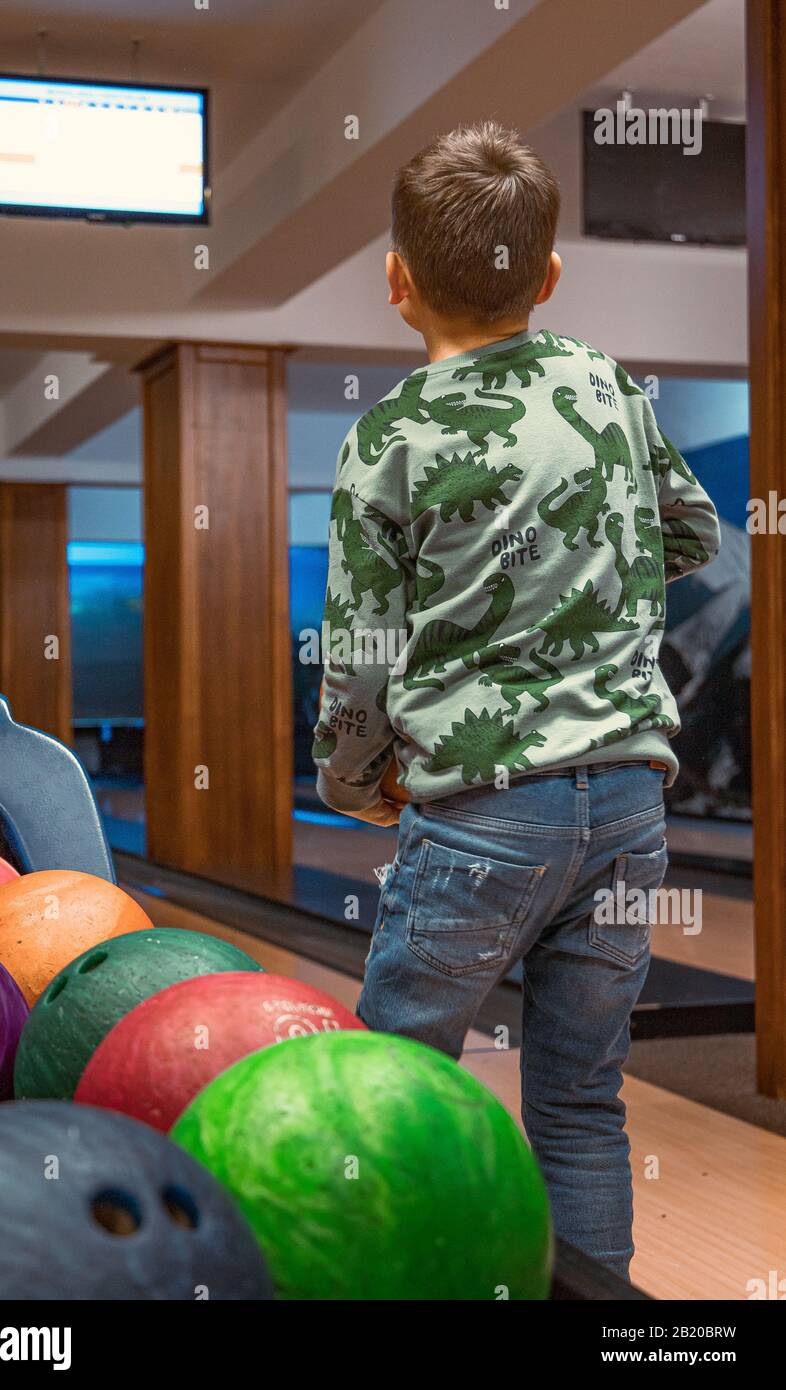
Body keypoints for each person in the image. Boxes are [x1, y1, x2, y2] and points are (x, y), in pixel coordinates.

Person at [311, 121, 720, 1280]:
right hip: (628, 805)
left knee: (394, 1092)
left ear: (396, 281)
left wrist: (350, 782)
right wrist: (579, 594)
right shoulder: (604, 382)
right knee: (582, 1104)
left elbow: (362, 649)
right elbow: (683, 528)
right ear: (545, 276)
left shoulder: (386, 436)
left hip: (481, 813)